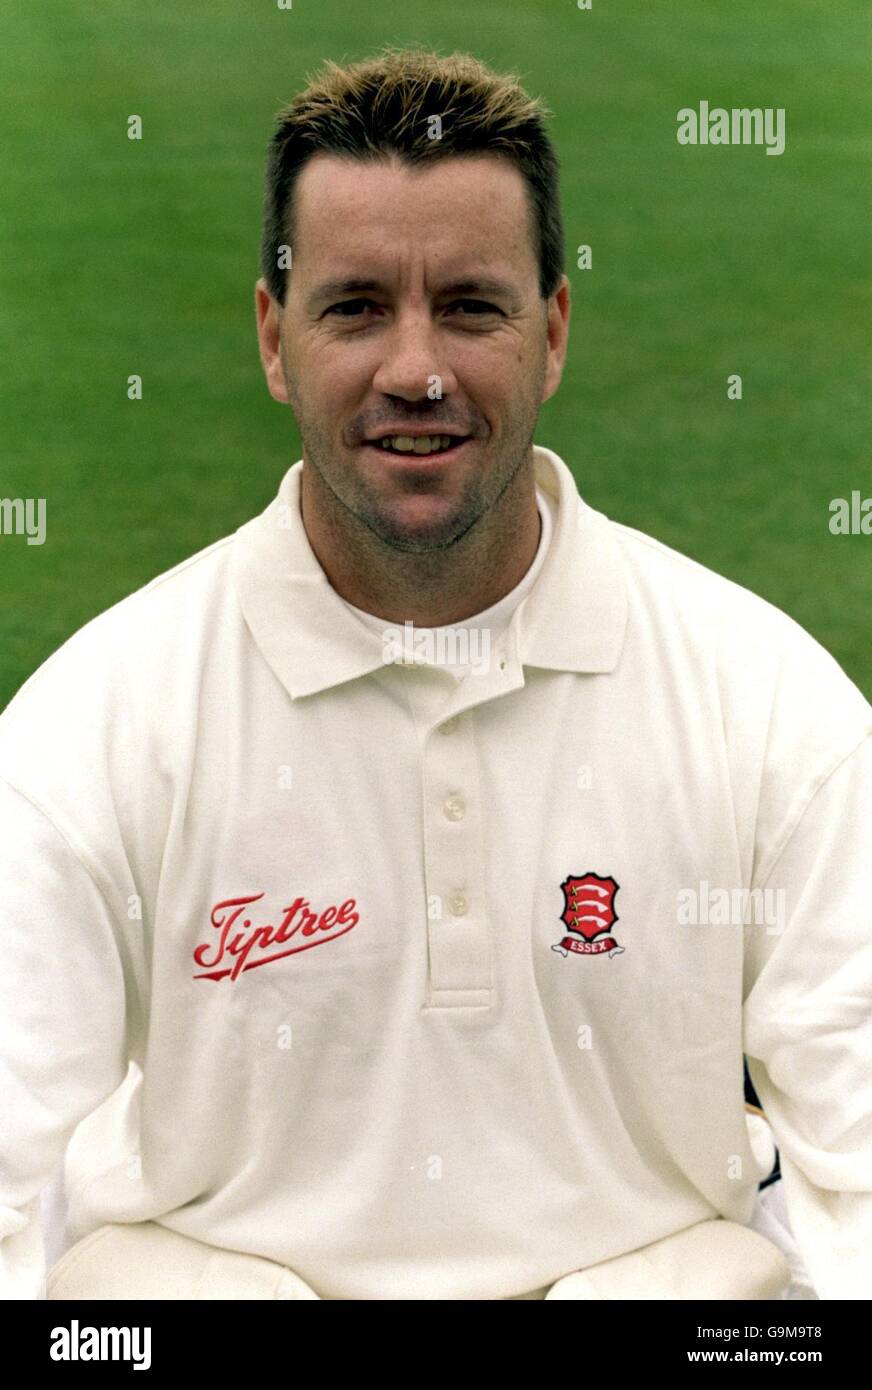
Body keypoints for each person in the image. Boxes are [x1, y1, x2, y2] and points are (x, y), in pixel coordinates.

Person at [1, 46, 870, 1302]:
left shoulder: (769, 705)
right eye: (355, 306)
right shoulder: (90, 728)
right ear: (273, 335)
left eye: (470, 305)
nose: (416, 370)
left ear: (553, 331)